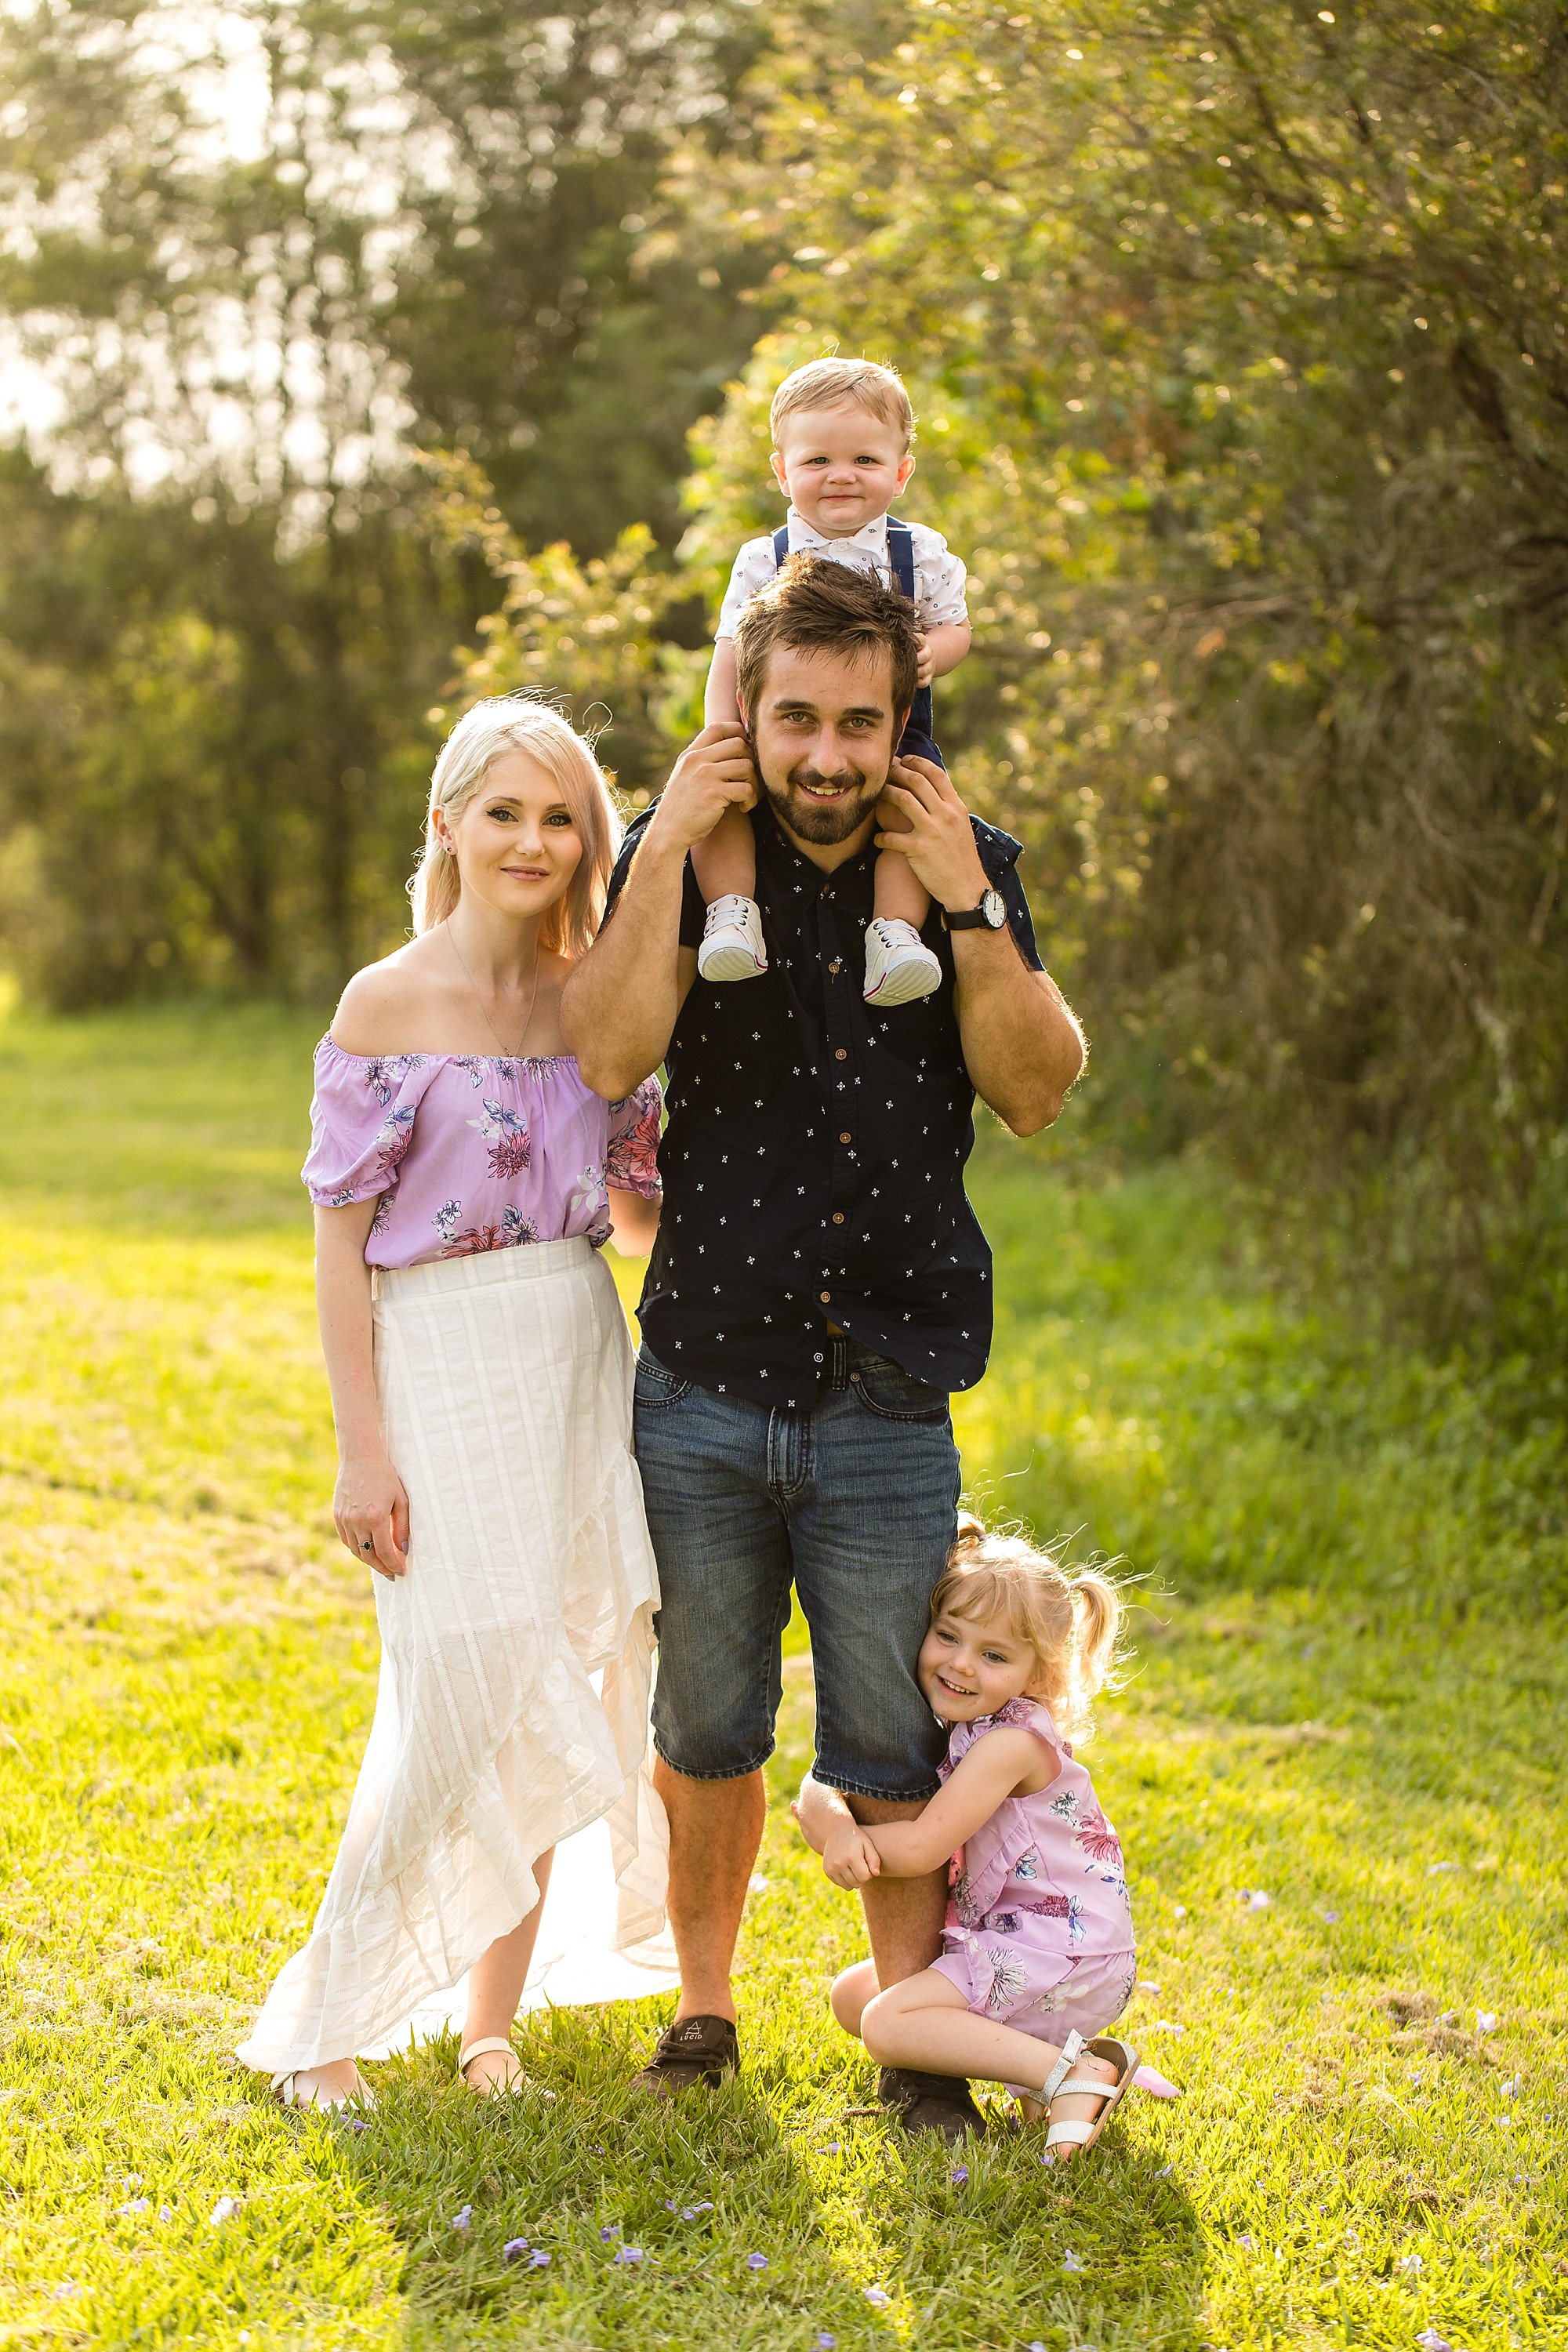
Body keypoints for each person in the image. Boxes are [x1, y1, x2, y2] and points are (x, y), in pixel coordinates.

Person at [561, 554, 1086, 2142]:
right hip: (707, 1376)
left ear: (901, 716)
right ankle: (704, 2011)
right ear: (753, 710)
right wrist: (663, 840)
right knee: (706, 1725)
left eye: (860, 722)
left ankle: (917, 2050)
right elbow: (604, 1051)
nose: (828, 754)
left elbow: (1036, 1088)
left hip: (887, 1384)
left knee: (892, 1735)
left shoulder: (962, 862)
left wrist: (974, 903)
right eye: (798, 718)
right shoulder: (685, 853)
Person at [236, 696, 667, 2109]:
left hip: (572, 1346)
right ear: (449, 824)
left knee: (548, 1676)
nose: (533, 842)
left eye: (561, 819)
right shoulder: (384, 1003)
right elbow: (340, 1248)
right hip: (438, 1354)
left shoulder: (596, 998)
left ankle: (492, 2028)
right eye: (505, 813)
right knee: (456, 1688)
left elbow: (637, 1217)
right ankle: (324, 2028)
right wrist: (362, 1453)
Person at [794, 1516, 1139, 2163]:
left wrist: (840, 1840)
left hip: (1063, 1951)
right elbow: (822, 1781)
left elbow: (921, 1849)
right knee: (855, 1998)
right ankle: (1049, 2065)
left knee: (887, 2024)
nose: (959, 1663)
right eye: (948, 1635)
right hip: (1025, 1941)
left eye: (994, 1655)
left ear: (1038, 1677)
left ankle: (1071, 2075)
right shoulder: (960, 1719)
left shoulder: (1011, 1743)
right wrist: (832, 1819)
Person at [691, 356, 971, 1008]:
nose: (841, 475)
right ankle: (730, 913)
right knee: (724, 802)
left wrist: (933, 653)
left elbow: (956, 627)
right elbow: (729, 649)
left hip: (888, 734)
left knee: (910, 810)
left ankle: (894, 933)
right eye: (817, 460)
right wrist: (723, 729)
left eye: (865, 460)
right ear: (782, 472)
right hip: (777, 732)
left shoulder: (918, 553)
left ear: (901, 473)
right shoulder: (763, 558)